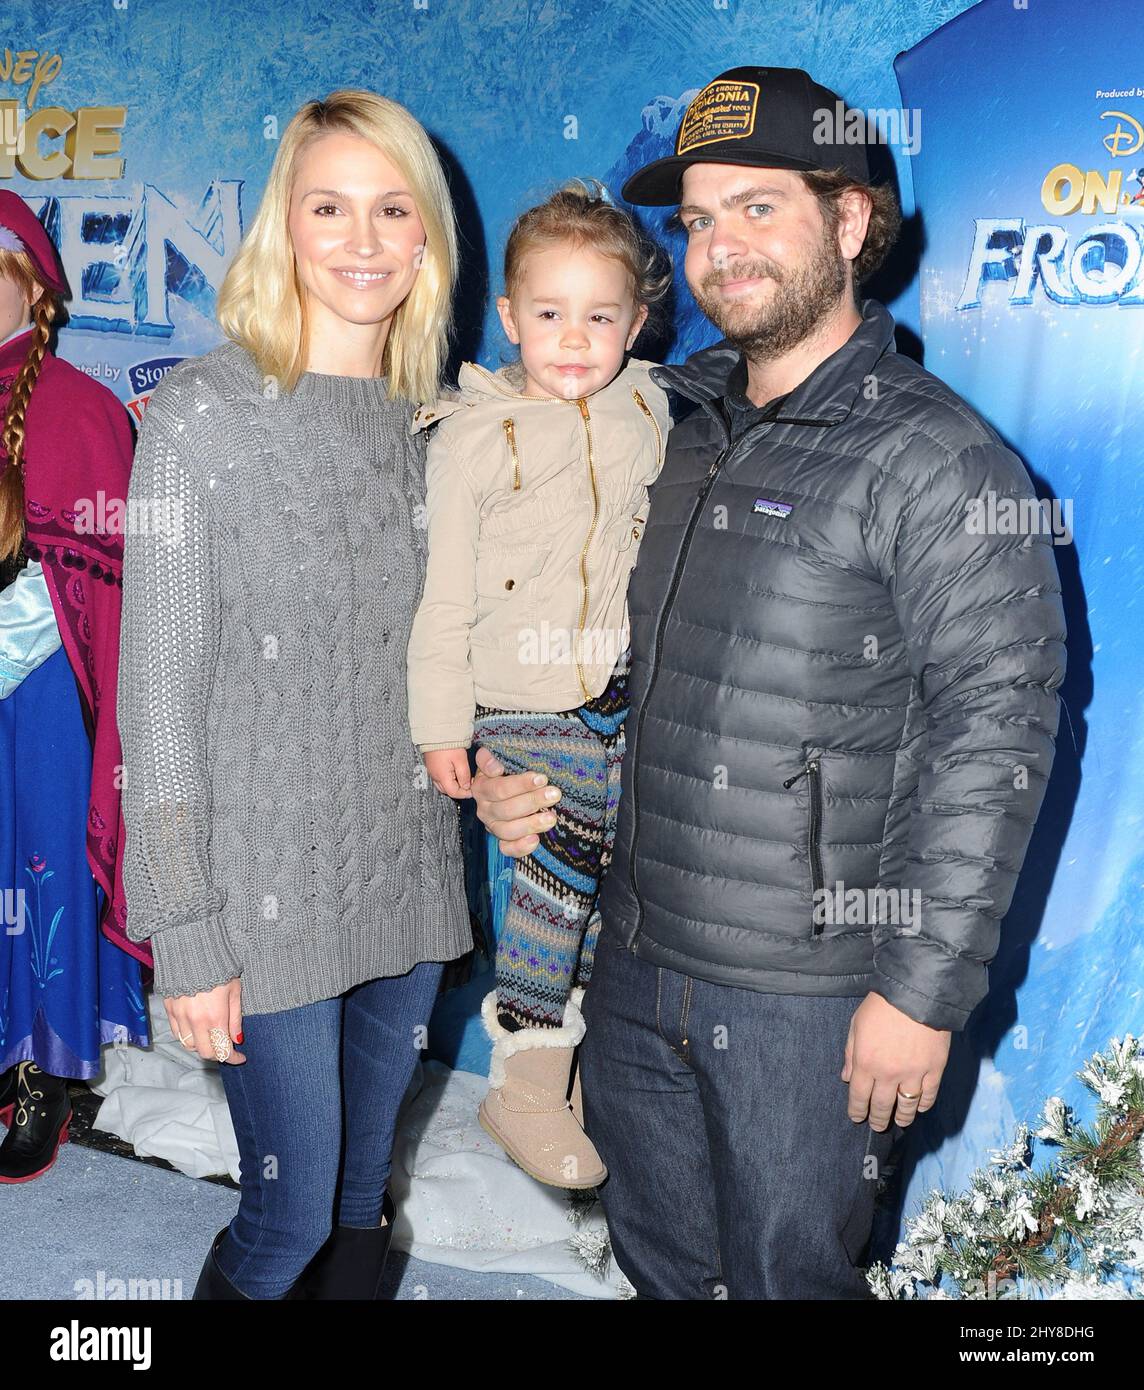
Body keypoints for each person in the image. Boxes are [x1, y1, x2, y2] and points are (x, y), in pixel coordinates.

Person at [469, 65, 1067, 1299]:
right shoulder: (663, 427)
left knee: (792, 1281)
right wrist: (514, 768)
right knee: (665, 1270)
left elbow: (996, 734)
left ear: (850, 222)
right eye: (694, 220)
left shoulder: (940, 458)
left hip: (813, 993)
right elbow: (568, 639)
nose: (717, 248)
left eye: (757, 208)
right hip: (633, 960)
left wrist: (920, 992)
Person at [116, 90, 473, 1300]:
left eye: (391, 208)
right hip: (255, 902)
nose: (363, 239)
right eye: (330, 206)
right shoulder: (201, 417)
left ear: (427, 235)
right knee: (288, 1217)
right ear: (285, 224)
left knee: (362, 1194)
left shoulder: (443, 426)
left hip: (409, 875)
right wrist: (187, 928)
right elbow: (154, 700)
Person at [406, 178, 671, 1189]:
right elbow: (441, 601)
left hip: (615, 680)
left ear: (636, 323)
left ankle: (564, 1069)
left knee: (601, 875)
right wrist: (443, 736)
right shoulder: (471, 435)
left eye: (599, 317)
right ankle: (523, 1065)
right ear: (510, 316)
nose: (573, 338)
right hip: (513, 694)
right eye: (548, 314)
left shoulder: (648, 404)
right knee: (567, 836)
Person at [0, 191, 150, 1185]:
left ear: (34, 285)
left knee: (39, 867)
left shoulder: (83, 409)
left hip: (45, 698)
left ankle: (41, 1065)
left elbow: (114, 589)